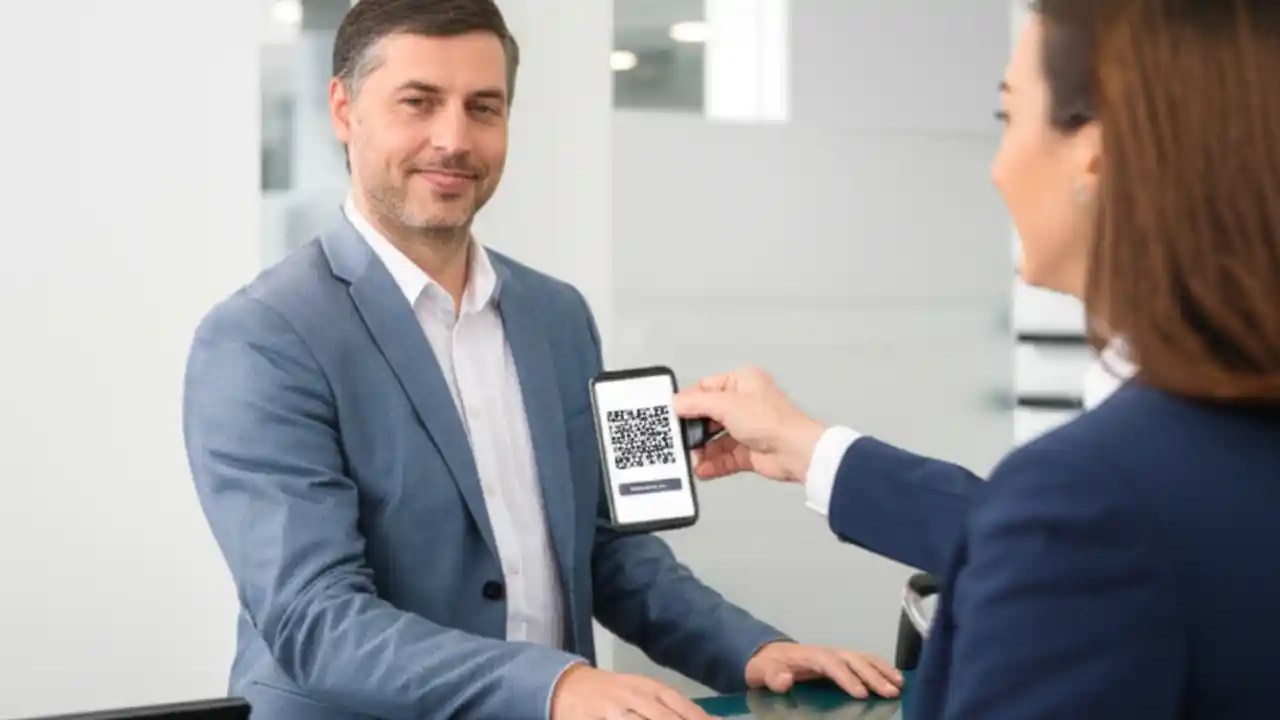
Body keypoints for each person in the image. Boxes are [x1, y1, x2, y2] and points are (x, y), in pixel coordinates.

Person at [183, 1, 901, 719]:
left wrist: (751, 651)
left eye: (484, 107)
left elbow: (609, 549)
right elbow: (316, 620)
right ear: (344, 110)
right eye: (419, 102)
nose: (454, 139)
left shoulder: (559, 315)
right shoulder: (260, 338)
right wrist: (552, 687)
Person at [674, 0, 1280, 717]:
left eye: (1008, 118)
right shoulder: (1198, 455)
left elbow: (1084, 539)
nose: (995, 169)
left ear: (1096, 151)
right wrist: (811, 448)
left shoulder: (1089, 497)